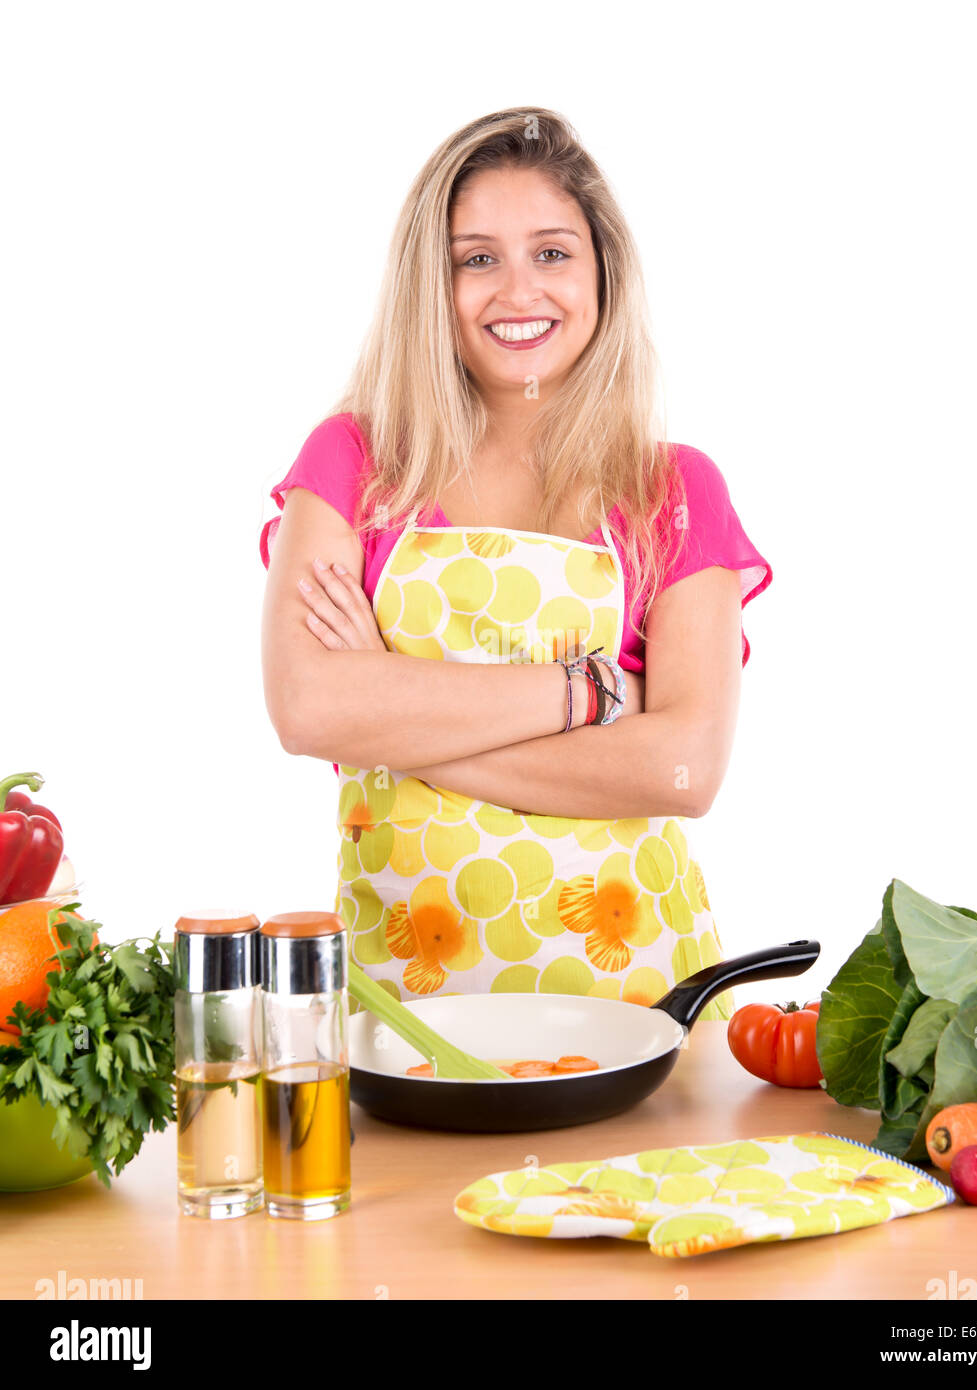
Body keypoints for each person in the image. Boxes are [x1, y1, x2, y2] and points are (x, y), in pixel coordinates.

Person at [259, 107, 772, 1020]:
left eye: (551, 252)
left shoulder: (675, 491)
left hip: (643, 1010)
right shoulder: (356, 462)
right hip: (407, 1022)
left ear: (601, 273)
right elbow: (309, 710)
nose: (517, 291)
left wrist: (396, 719)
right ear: (432, 283)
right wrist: (588, 698)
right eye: (476, 258)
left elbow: (683, 770)